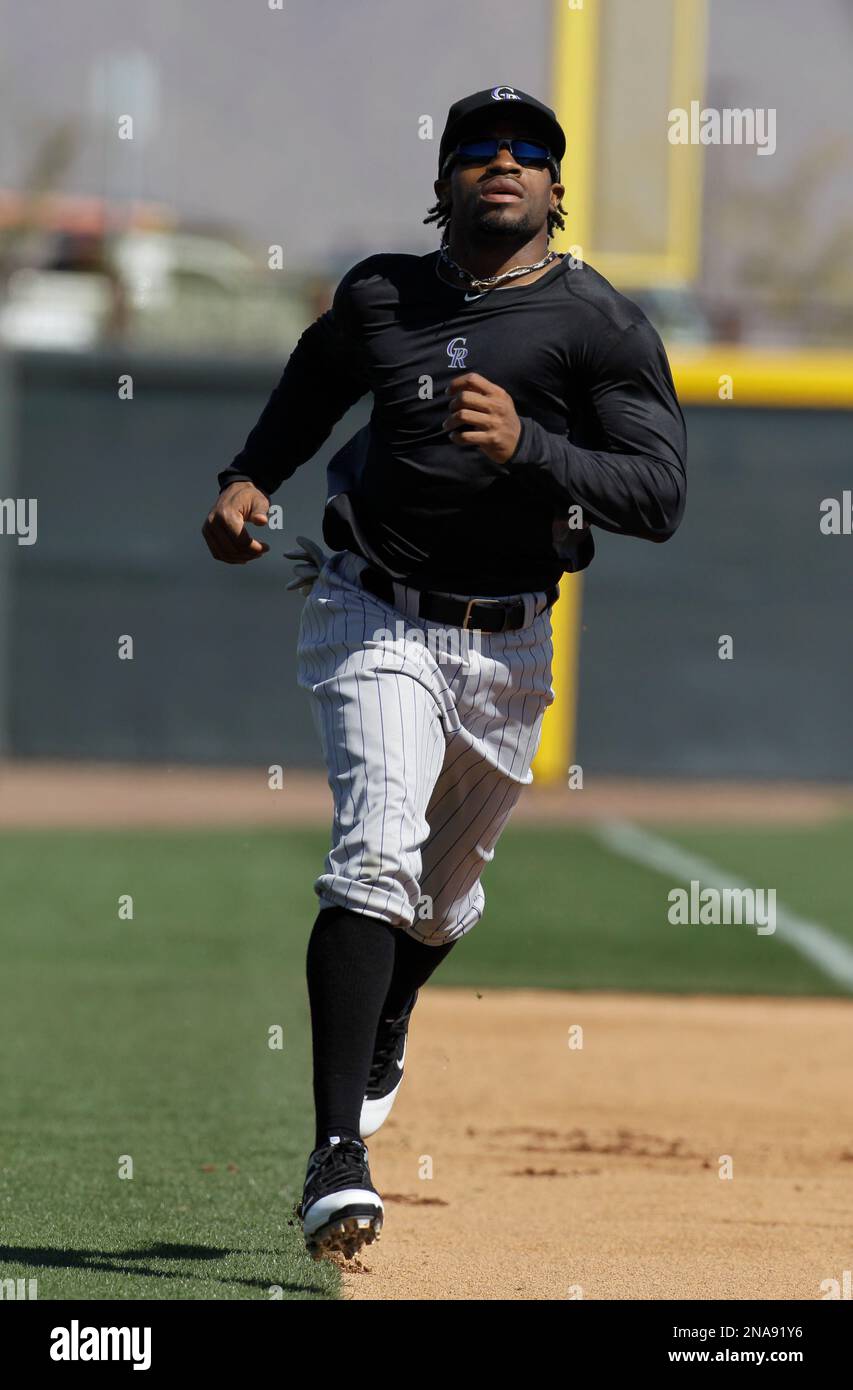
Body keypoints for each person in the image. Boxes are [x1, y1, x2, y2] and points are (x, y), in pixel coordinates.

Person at [202, 85, 687, 1260]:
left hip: (510, 639)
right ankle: (334, 1156)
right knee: (372, 849)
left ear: (557, 190)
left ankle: (393, 1014)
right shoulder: (381, 294)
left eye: (529, 152)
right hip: (371, 603)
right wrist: (244, 480)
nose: (504, 164)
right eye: (478, 150)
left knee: (441, 891)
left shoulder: (599, 326)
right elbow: (308, 396)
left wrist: (532, 447)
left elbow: (660, 497)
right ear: (446, 182)